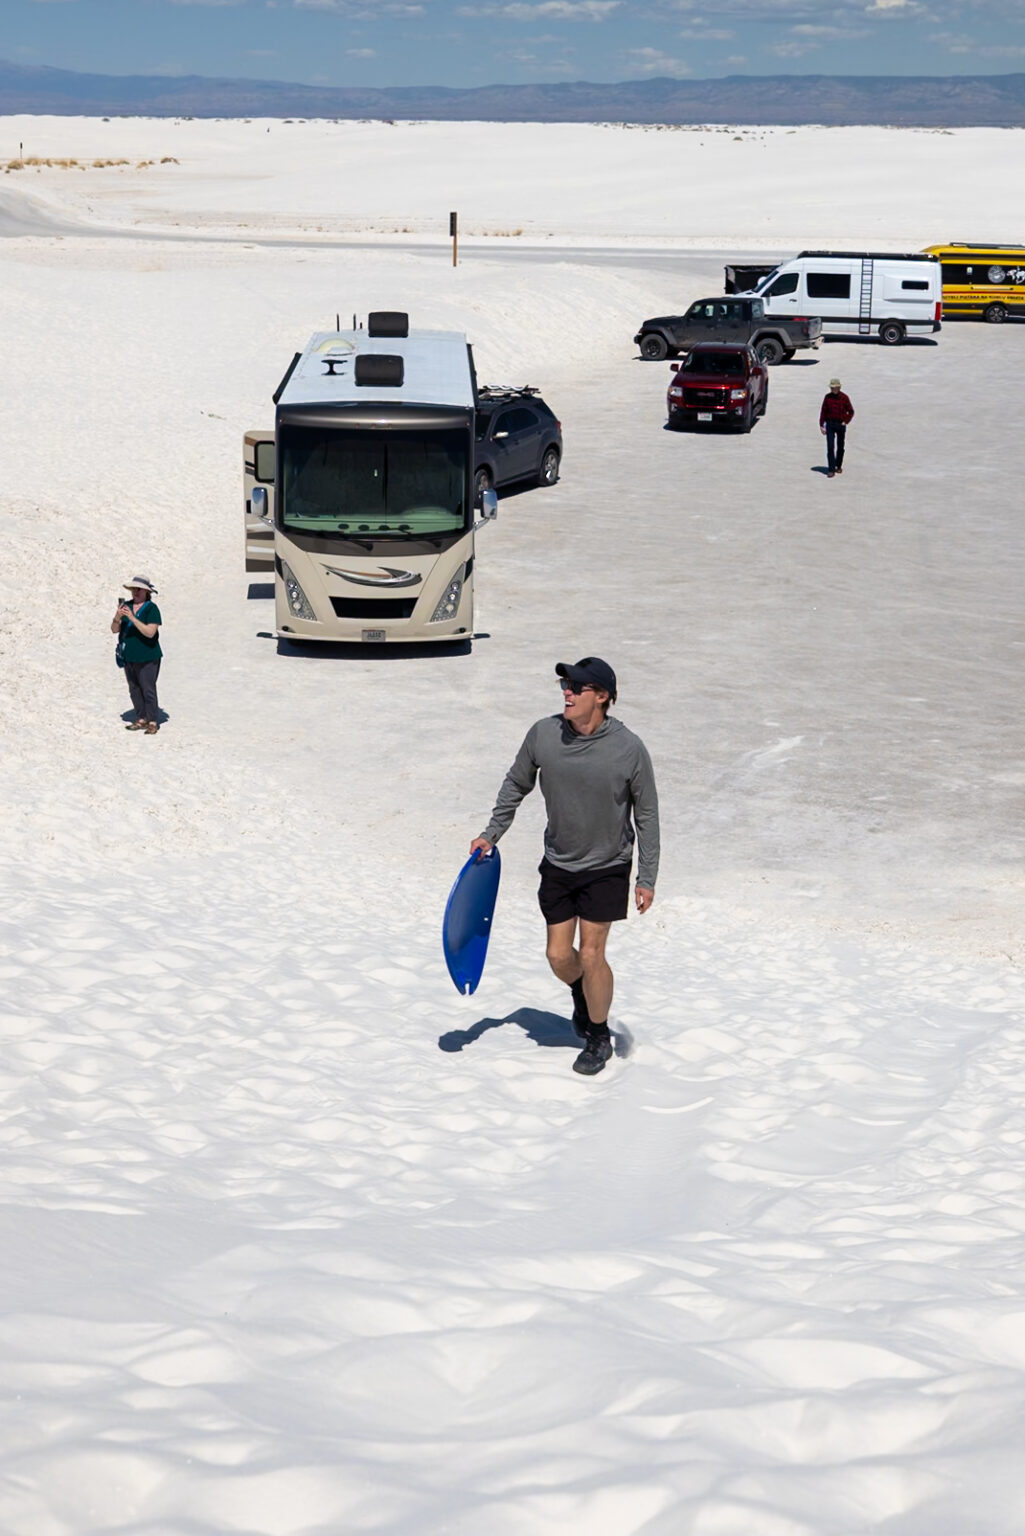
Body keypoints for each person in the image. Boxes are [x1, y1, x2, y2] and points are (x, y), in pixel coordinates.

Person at [470, 657, 660, 1077]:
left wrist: (646, 876)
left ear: (603, 696)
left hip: (608, 864)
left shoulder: (628, 748)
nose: (567, 693)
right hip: (559, 861)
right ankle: (583, 993)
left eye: (577, 687)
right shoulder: (544, 734)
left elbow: (646, 814)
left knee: (592, 954)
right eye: (565, 685)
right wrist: (491, 834)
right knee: (559, 956)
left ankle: (598, 1035)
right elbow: (516, 784)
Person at [111, 576, 163, 734]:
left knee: (148, 688)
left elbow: (150, 632)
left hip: (148, 655)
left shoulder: (151, 609)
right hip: (129, 655)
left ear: (146, 592)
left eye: (138, 589)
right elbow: (114, 629)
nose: (135, 592)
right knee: (134, 688)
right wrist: (118, 617)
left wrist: (132, 618)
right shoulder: (126, 606)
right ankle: (141, 718)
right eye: (133, 589)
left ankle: (152, 720)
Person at [819, 378, 855, 478]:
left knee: (840, 446)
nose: (833, 389)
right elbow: (823, 411)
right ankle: (831, 469)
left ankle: (838, 465)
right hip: (830, 424)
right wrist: (821, 425)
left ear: (839, 387)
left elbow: (851, 411)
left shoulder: (844, 397)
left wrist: (845, 421)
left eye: (835, 387)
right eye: (832, 387)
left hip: (840, 424)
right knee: (830, 447)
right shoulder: (827, 397)